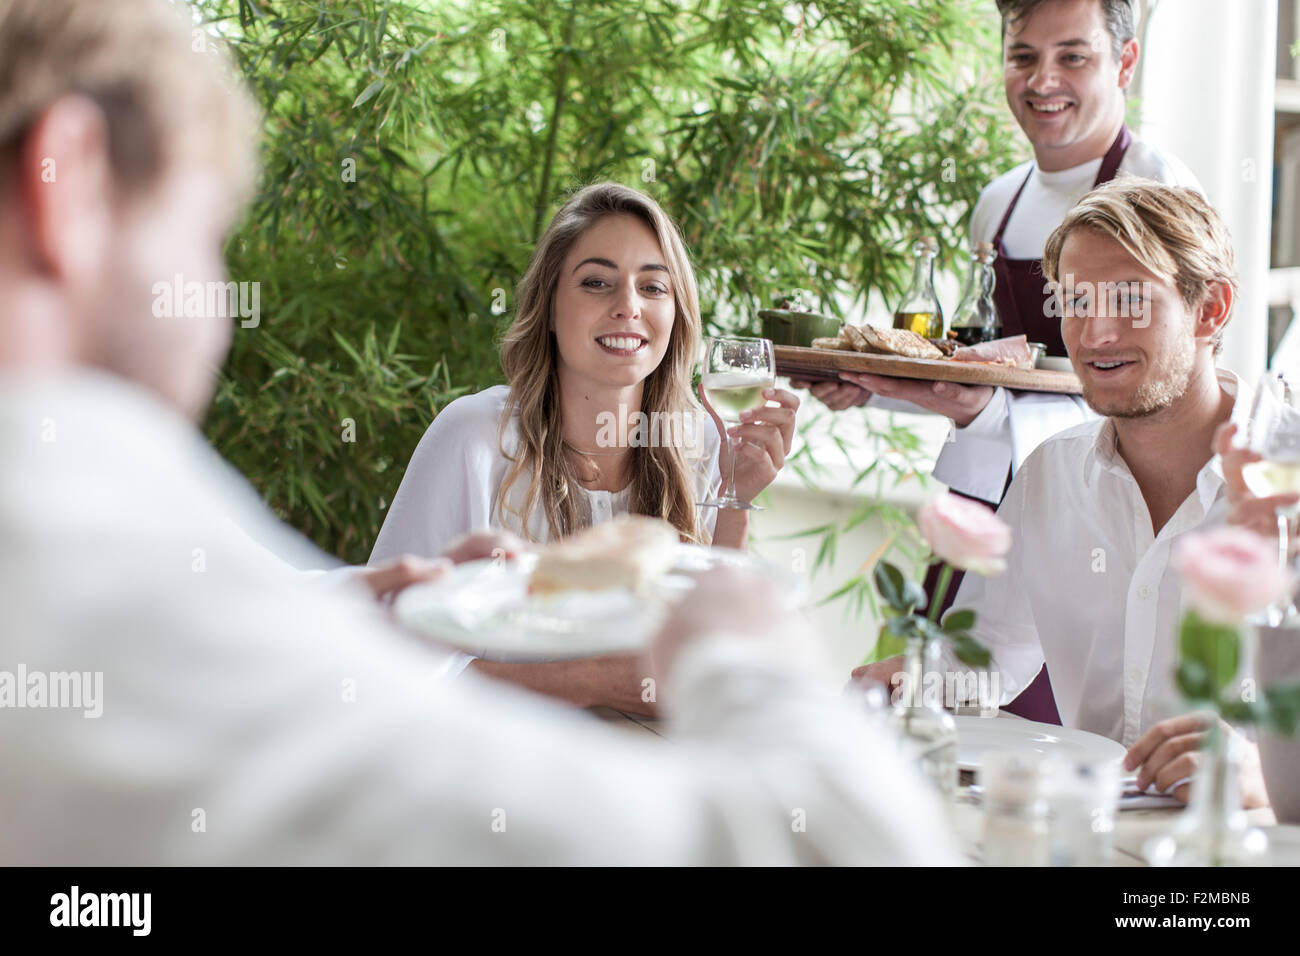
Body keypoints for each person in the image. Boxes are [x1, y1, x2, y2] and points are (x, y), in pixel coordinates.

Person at [0, 0, 955, 865]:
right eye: (205, 231)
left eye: (654, 284)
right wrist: (745, 655)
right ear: (69, 188)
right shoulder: (82, 550)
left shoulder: (85, 545)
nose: (212, 298)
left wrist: (354, 602)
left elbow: (226, 617)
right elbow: (837, 848)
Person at [798, 0, 1202, 721]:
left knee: (1057, 720)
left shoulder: (1156, 190)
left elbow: (1153, 395)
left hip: (1093, 503)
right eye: (1024, 57)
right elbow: (991, 368)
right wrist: (875, 387)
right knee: (945, 696)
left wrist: (985, 412)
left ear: (1125, 63)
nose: (1044, 79)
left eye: (1073, 56)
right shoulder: (1000, 202)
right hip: (989, 501)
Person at [854, 179, 1270, 807]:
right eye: (1076, 301)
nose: (1095, 334)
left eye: (1129, 300)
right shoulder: (1051, 475)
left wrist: (1260, 776)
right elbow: (989, 661)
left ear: (1210, 310)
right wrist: (910, 682)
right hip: (1090, 836)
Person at [369, 183, 800, 714]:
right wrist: (595, 681)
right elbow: (382, 653)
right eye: (597, 283)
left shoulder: (702, 442)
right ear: (549, 308)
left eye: (653, 287)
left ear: (677, 313)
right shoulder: (474, 440)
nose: (627, 307)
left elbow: (715, 651)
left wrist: (736, 496)